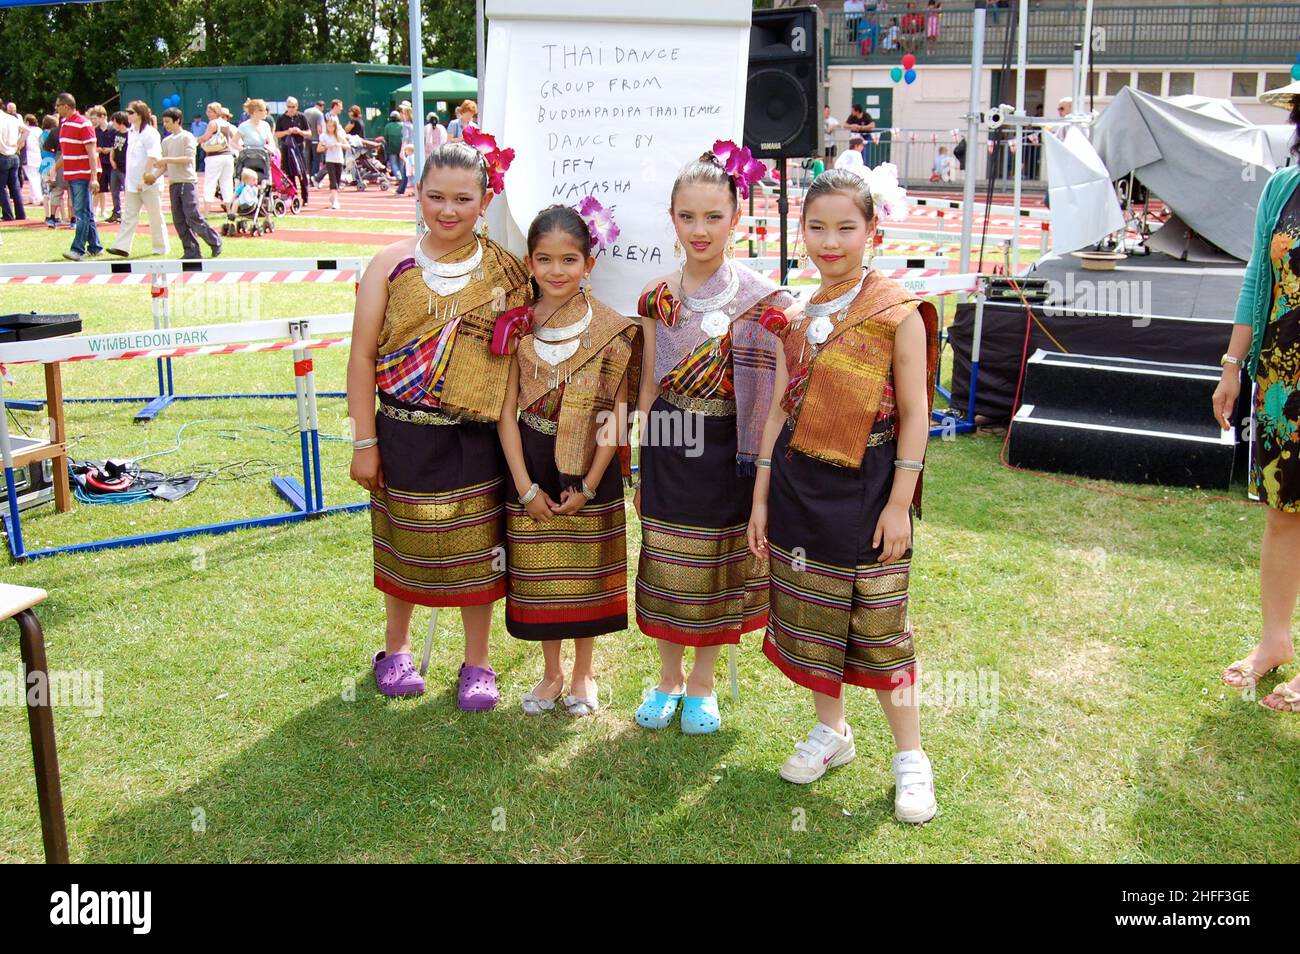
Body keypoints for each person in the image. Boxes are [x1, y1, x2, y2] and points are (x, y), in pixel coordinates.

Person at [747, 169, 939, 822]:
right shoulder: (794, 317)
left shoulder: (897, 312)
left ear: (873, 232)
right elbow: (777, 411)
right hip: (799, 486)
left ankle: (911, 757)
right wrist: (761, 499)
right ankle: (833, 730)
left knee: (881, 626)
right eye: (818, 227)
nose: (831, 242)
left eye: (845, 228)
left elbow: (915, 414)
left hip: (872, 484)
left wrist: (897, 504)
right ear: (800, 232)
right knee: (810, 615)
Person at [347, 140, 531, 708]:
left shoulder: (507, 271)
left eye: (462, 199)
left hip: (475, 435)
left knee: (478, 548)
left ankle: (478, 662)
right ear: (419, 195)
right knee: (403, 541)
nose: (448, 210)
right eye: (435, 197)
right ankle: (395, 649)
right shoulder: (390, 264)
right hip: (401, 432)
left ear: (484, 200)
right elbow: (360, 358)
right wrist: (364, 442)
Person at [632, 145, 793, 735]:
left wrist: (762, 478)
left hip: (730, 449)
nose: (700, 230)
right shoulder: (657, 295)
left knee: (719, 566)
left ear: (737, 218)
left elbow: (775, 398)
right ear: (671, 218)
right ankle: (667, 678)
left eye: (714, 217)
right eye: (687, 217)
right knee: (667, 560)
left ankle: (702, 684)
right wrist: (641, 457)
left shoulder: (764, 299)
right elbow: (649, 381)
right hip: (670, 442)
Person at [495, 202, 639, 716]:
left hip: (587, 468)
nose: (557, 271)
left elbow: (619, 413)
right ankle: (551, 673)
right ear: (530, 262)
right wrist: (525, 487)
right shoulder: (514, 325)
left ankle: (583, 675)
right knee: (540, 573)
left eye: (569, 260)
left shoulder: (614, 329)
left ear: (589, 265)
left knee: (586, 571)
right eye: (545, 259)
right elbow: (505, 412)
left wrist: (593, 483)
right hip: (529, 464)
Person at [1216, 82, 1300, 714]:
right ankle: (1274, 642)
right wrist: (1232, 365)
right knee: (1282, 513)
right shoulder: (1282, 187)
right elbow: (1257, 280)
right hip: (1282, 382)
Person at [157, 107, 221, 260]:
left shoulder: (188, 137)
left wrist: (166, 160)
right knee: (178, 219)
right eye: (164, 122)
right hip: (173, 183)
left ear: (177, 120)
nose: (165, 124)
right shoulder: (166, 141)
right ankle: (191, 250)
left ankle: (214, 241)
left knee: (192, 215)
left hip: (187, 182)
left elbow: (188, 159)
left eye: (168, 121)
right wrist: (153, 176)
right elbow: (164, 166)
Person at [107, 100, 168, 258]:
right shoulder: (131, 132)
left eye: (130, 112)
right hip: (132, 182)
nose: (127, 115)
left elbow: (152, 156)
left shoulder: (150, 133)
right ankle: (122, 247)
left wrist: (145, 178)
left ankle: (160, 248)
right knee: (129, 215)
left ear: (140, 114)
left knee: (155, 215)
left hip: (148, 183)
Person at [56, 92, 101, 261]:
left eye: (58, 106)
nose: (56, 109)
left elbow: (92, 153)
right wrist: (54, 168)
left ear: (66, 106)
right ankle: (95, 246)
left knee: (81, 212)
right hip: (72, 174)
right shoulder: (65, 124)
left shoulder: (83, 124)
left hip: (82, 175)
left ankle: (78, 249)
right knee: (86, 212)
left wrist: (94, 177)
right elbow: (66, 153)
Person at [195, 101, 236, 215]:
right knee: (227, 183)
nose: (207, 113)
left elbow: (206, 137)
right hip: (228, 156)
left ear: (215, 112)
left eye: (209, 111)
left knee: (210, 182)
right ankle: (229, 211)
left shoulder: (213, 123)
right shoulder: (226, 124)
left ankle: (206, 212)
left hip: (215, 155)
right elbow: (233, 138)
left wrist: (196, 140)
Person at [274, 97, 310, 206]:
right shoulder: (281, 118)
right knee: (289, 174)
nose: (291, 109)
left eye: (293, 107)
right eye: (289, 107)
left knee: (302, 173)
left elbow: (309, 133)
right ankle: (293, 196)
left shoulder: (302, 117)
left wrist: (300, 132)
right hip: (287, 148)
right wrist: (287, 132)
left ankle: (305, 198)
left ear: (297, 106)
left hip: (299, 148)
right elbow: (276, 134)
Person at [235, 98, 273, 182]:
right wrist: (242, 149)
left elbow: (271, 141)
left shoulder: (266, 125)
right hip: (247, 158)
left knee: (267, 178)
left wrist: (271, 149)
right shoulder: (243, 126)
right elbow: (233, 143)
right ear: (255, 112)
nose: (266, 112)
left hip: (262, 158)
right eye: (263, 110)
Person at [0, 98, 24, 220]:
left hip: (2, 155)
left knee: (1, 187)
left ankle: (8, 215)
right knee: (15, 187)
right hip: (14, 155)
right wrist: (19, 144)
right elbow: (26, 130)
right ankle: (21, 214)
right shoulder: (12, 118)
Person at [89, 106, 113, 221]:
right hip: (100, 162)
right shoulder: (95, 131)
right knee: (99, 188)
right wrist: (98, 149)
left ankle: (105, 209)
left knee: (111, 188)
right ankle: (94, 209)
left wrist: (110, 149)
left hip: (111, 161)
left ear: (103, 116)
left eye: (96, 118)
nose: (95, 121)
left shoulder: (112, 129)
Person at [317, 115, 345, 210]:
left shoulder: (339, 135)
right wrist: (327, 146)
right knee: (333, 180)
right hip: (330, 160)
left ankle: (333, 197)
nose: (330, 128)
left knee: (337, 180)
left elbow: (348, 146)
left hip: (339, 159)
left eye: (332, 126)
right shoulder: (324, 136)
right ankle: (335, 201)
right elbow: (319, 148)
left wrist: (339, 144)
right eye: (328, 126)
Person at [106, 111, 127, 222]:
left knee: (127, 192)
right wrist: (111, 159)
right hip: (115, 167)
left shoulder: (129, 134)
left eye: (114, 121)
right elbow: (114, 148)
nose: (113, 123)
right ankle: (116, 212)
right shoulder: (117, 134)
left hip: (124, 168)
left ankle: (128, 213)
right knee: (114, 191)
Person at [382, 110, 408, 195]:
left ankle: (398, 177)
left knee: (393, 164)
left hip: (392, 147)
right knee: (402, 164)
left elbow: (385, 137)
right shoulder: (402, 125)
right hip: (401, 147)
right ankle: (402, 178)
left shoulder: (388, 126)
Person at [22, 113, 42, 206]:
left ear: (27, 122)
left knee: (33, 178)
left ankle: (39, 197)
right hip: (39, 155)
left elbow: (27, 145)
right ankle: (32, 197)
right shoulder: (39, 130)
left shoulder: (27, 131)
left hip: (29, 156)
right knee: (35, 177)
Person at [303, 100, 325, 183]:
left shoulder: (306, 111)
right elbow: (319, 128)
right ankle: (314, 178)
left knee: (308, 159)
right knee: (316, 159)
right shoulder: (319, 114)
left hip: (307, 138)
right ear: (321, 106)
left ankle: (309, 178)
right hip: (316, 139)